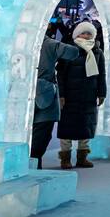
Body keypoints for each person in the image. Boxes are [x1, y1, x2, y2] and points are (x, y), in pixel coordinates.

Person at [56, 20, 107, 169]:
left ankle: (82, 157)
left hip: (88, 96)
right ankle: (65, 158)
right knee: (67, 127)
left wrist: (101, 92)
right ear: (77, 34)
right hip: (70, 96)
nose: (86, 36)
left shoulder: (97, 52)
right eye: (83, 33)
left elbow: (101, 74)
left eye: (89, 33)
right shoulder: (69, 50)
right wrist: (61, 94)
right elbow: (61, 74)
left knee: (86, 126)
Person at [31, 22, 81, 168]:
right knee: (40, 136)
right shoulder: (49, 44)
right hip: (44, 94)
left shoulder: (16, 43)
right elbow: (73, 52)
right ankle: (35, 168)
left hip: (19, 94)